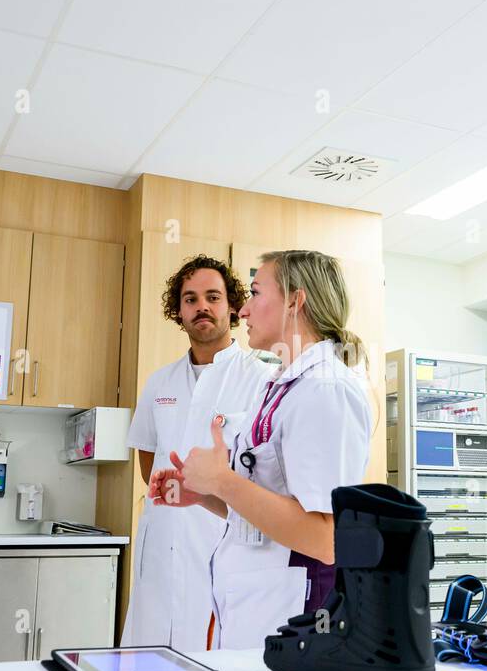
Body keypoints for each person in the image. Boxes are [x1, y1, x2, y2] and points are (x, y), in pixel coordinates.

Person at [149, 249, 372, 649]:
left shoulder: (326, 390)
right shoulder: (281, 386)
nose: (244, 310)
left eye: (254, 293)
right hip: (256, 606)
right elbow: (265, 507)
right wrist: (204, 495)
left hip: (295, 610)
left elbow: (325, 539)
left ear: (294, 300)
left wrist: (221, 479)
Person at [122, 255, 271, 651]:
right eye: (190, 299)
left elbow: (267, 476)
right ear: (179, 311)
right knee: (149, 655)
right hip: (161, 542)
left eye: (212, 297)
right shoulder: (160, 382)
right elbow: (148, 460)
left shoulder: (260, 381)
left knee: (212, 662)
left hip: (222, 539)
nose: (201, 306)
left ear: (232, 306)